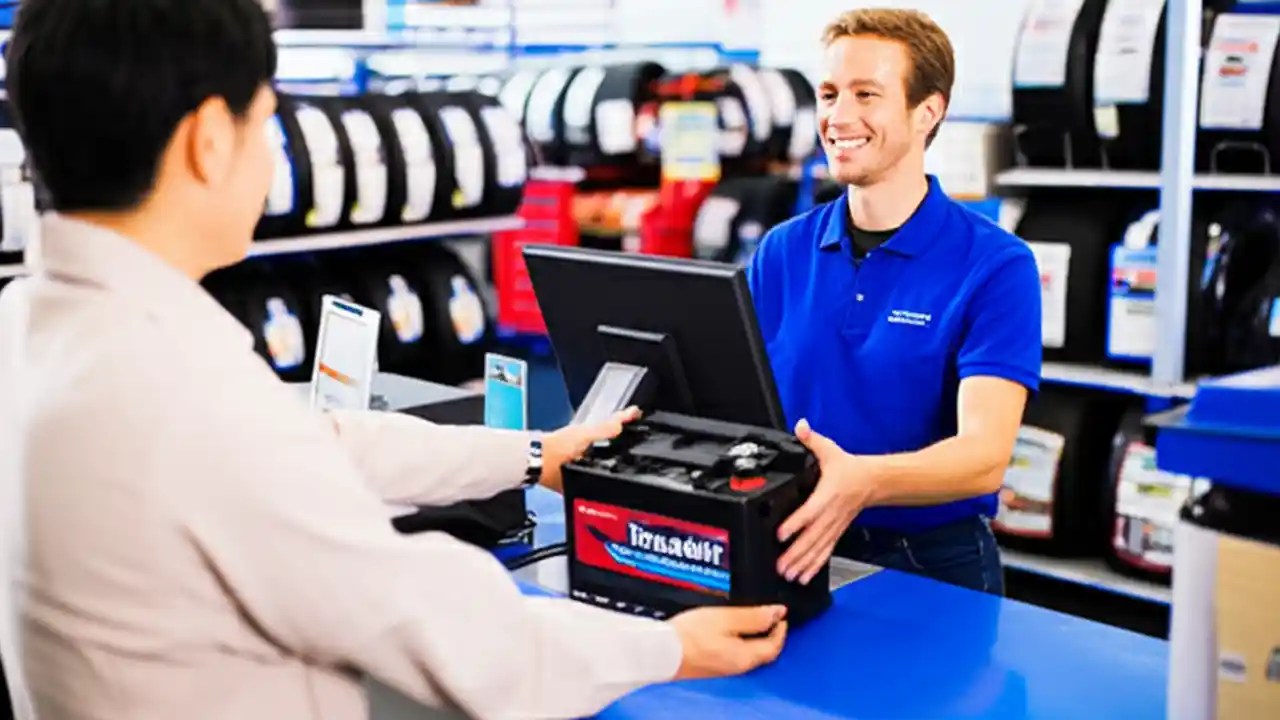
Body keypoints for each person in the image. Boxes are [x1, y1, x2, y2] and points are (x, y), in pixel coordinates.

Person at [0, 1, 788, 719]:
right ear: (209, 139)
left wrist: (536, 455)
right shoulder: (180, 397)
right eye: (266, 128)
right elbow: (452, 634)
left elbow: (312, 446)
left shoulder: (36, 326)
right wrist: (672, 647)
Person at [747, 8, 1042, 596]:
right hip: (792, 540)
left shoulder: (996, 266)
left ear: (926, 111)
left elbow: (983, 456)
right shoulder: (782, 251)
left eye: (866, 95)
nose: (839, 117)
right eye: (829, 93)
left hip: (929, 564)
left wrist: (864, 480)